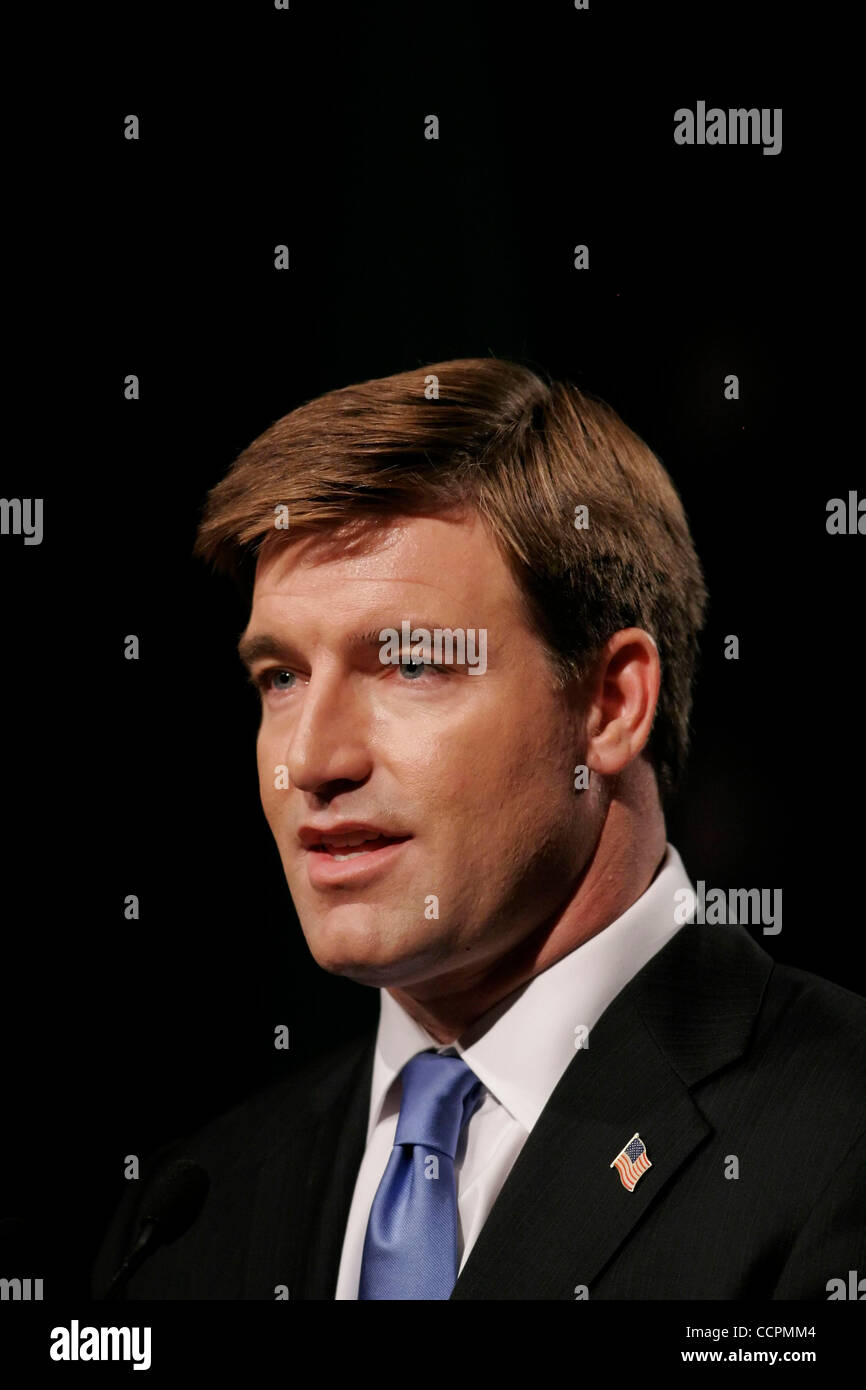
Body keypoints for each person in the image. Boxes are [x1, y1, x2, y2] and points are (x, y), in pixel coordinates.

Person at [92, 358, 866, 1300]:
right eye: (281, 678)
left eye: (411, 664)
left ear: (613, 703)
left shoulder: (840, 1136)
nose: (314, 759)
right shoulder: (192, 1210)